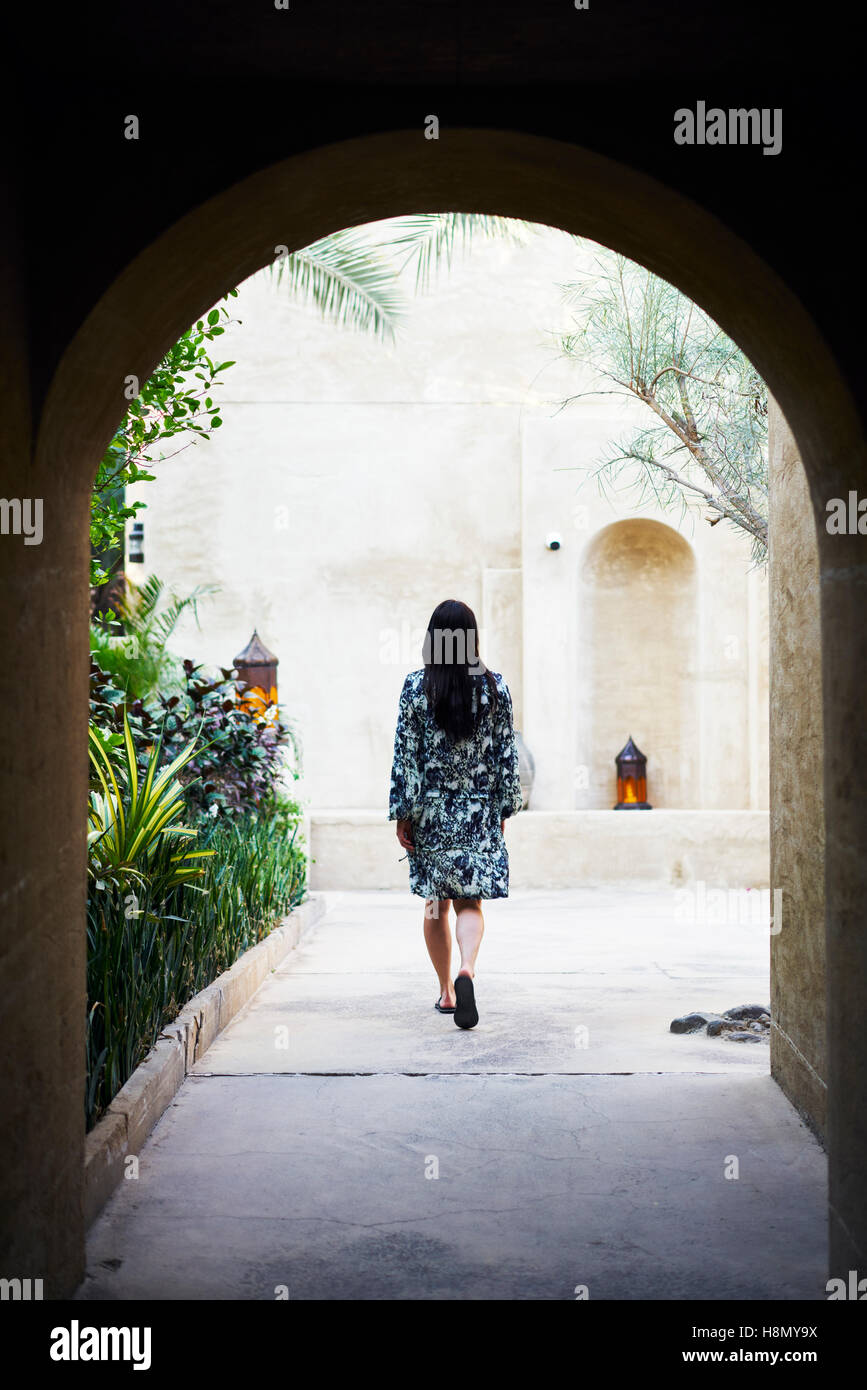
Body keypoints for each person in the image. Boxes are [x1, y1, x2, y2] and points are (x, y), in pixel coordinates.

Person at [388, 598, 523, 1029]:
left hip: (430, 812)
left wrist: (403, 812)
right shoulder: (494, 687)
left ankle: (447, 992)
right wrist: (503, 806)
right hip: (478, 811)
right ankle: (467, 968)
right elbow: (507, 756)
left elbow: (405, 756)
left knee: (434, 904)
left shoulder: (415, 687)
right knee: (470, 901)